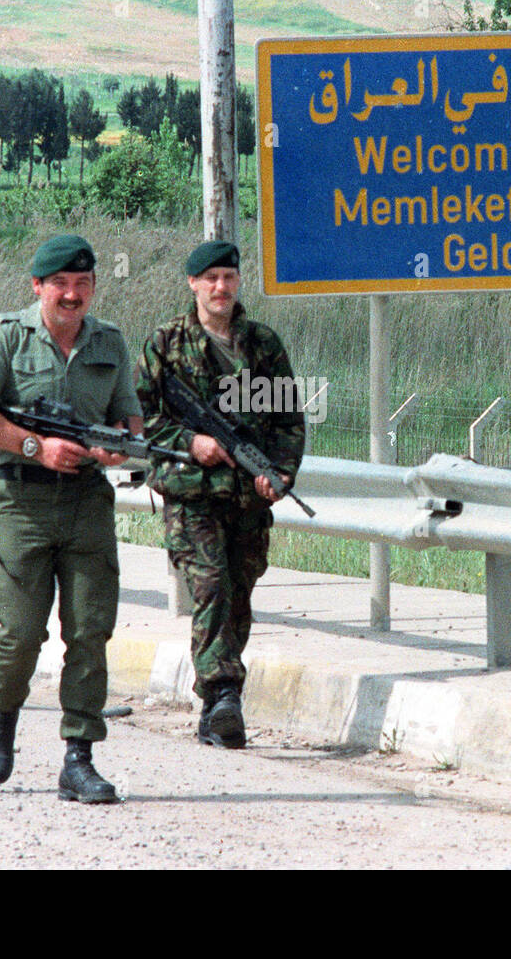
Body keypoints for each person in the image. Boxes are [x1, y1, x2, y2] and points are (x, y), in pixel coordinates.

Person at [0, 235, 141, 803]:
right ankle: (2, 714)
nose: (72, 295)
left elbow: (129, 423)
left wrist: (118, 449)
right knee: (22, 632)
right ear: (38, 286)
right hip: (21, 502)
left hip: (86, 503)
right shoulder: (8, 335)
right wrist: (35, 446)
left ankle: (78, 758)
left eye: (83, 285)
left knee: (89, 630)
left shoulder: (110, 342)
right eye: (61, 284)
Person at [136, 241, 305, 749]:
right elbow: (141, 418)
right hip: (192, 494)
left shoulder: (262, 345)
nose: (220, 287)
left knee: (238, 594)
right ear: (192, 283)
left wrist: (278, 473)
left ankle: (214, 707)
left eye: (228, 277)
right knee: (209, 584)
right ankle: (225, 691)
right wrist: (193, 442)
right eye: (209, 277)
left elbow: (287, 421)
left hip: (247, 500)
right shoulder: (166, 343)